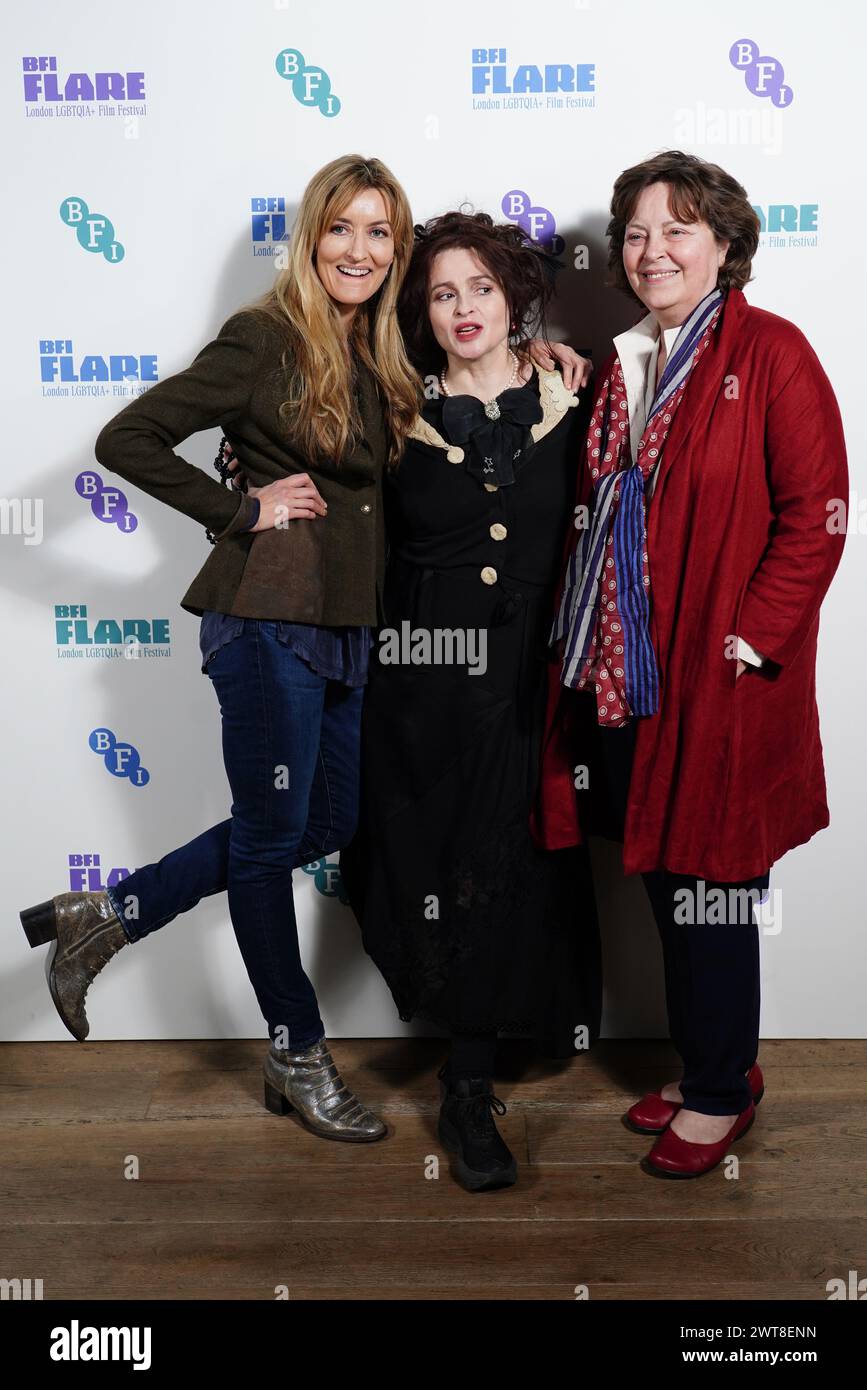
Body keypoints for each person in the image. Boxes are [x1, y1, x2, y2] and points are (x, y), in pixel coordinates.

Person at [21, 155, 585, 1147]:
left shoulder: (377, 353)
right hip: (267, 618)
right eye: (342, 229)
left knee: (325, 816)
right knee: (276, 836)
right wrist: (241, 505)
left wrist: (549, 357)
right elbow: (130, 438)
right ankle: (297, 1046)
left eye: (380, 234)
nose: (359, 250)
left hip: (345, 631)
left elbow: (449, 416)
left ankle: (106, 913)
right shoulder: (266, 335)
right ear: (312, 237)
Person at [536, 151, 848, 1177]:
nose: (652, 248)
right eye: (635, 230)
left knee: (714, 882)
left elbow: (817, 517)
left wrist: (750, 638)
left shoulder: (773, 351)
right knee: (672, 882)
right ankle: (720, 1059)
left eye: (677, 228)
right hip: (630, 672)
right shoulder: (625, 358)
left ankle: (721, 1090)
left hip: (721, 678)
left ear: (724, 243)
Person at [339, 212, 603, 1193]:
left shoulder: (571, 394)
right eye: (443, 293)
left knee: (509, 865)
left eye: (481, 289)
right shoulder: (394, 412)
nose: (463, 308)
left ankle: (470, 1081)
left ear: (513, 298)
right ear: (423, 309)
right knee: (437, 865)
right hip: (422, 689)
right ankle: (469, 1062)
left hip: (532, 688)